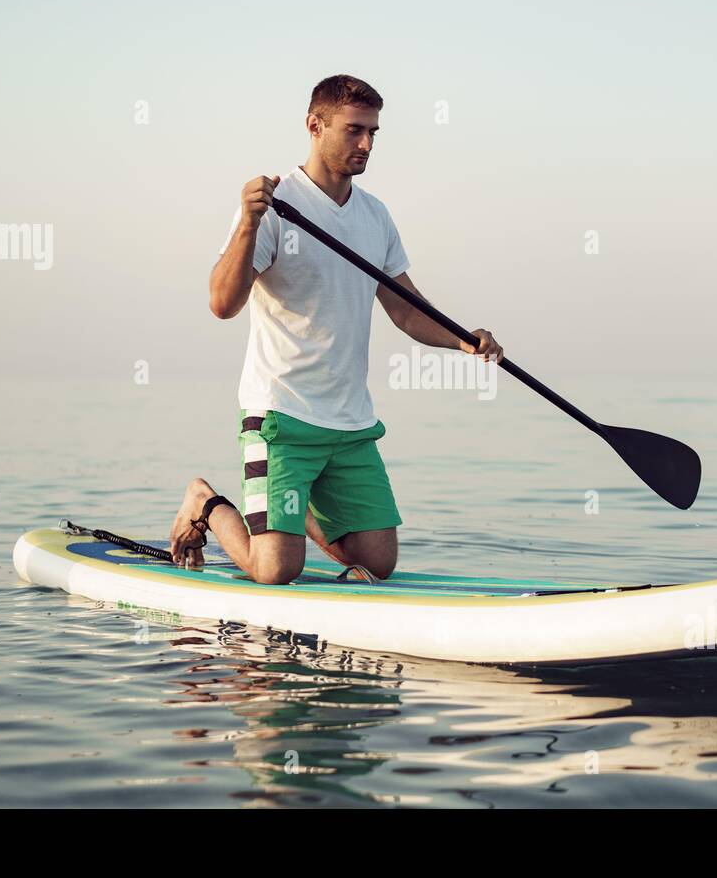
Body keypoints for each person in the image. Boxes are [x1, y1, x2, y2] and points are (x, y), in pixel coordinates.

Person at [168, 74, 502, 584]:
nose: (366, 144)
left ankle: (286, 510)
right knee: (275, 570)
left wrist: (461, 339)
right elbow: (222, 303)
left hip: (349, 422)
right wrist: (248, 224)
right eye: (354, 130)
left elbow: (406, 308)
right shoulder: (275, 206)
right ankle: (205, 503)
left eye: (373, 132)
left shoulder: (375, 215)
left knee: (377, 563)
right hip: (281, 415)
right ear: (314, 125)